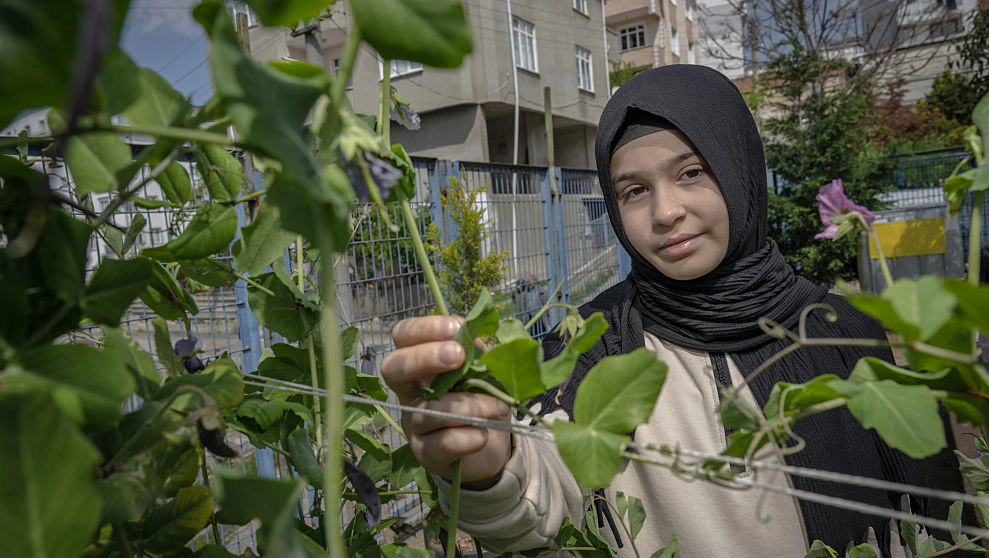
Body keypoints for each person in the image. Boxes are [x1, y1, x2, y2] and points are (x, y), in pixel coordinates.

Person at [380, 65, 926, 557]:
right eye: (635, 191)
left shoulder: (846, 332)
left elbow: (933, 516)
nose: (666, 212)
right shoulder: (597, 348)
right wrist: (485, 468)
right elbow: (534, 501)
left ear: (739, 170)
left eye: (691, 173)